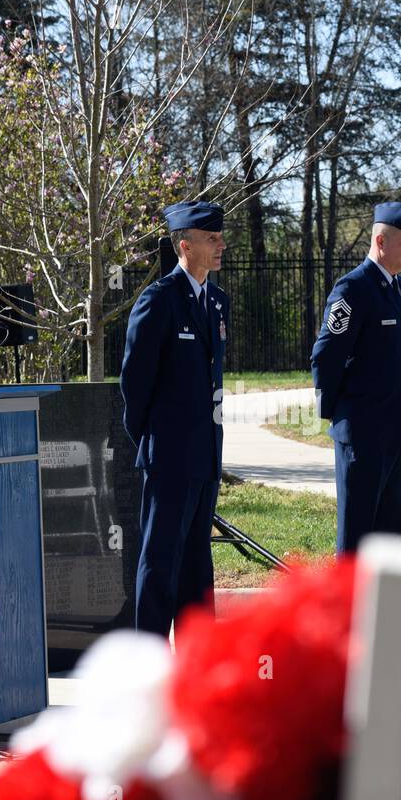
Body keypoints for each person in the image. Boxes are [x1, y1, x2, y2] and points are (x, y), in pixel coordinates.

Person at [121, 201, 229, 634]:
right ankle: (149, 668)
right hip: (168, 456)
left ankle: (198, 667)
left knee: (196, 568)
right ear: (185, 245)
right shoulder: (159, 300)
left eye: (220, 237)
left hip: (205, 455)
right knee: (160, 563)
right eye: (211, 239)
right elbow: (135, 384)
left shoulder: (216, 302)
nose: (221, 245)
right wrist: (154, 442)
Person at [311, 202, 401, 551]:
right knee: (357, 539)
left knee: (389, 541)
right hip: (362, 435)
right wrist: (339, 412)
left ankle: (384, 608)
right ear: (380, 241)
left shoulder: (400, 290)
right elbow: (325, 355)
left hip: (397, 436)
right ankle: (348, 607)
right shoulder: (353, 289)